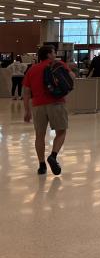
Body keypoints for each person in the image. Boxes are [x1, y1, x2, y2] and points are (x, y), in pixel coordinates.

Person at [22, 45, 67, 176]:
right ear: (49, 54)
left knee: (39, 135)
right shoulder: (58, 64)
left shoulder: (32, 69)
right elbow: (71, 78)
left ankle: (42, 166)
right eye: (54, 52)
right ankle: (53, 156)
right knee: (61, 131)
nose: (55, 54)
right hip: (57, 103)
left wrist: (27, 110)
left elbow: (26, 92)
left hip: (37, 105)